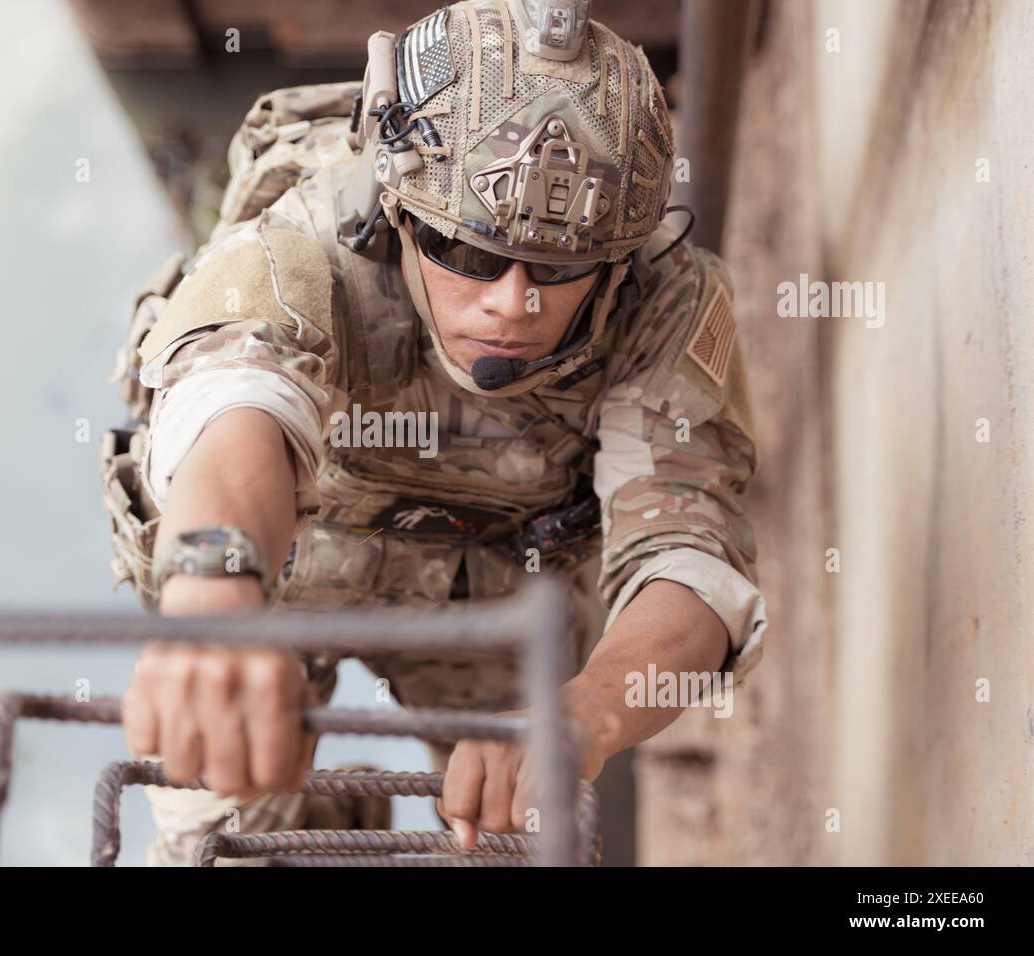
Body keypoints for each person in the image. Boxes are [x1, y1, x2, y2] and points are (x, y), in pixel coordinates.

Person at [114, 0, 766, 866]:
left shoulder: (664, 299)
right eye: (466, 252)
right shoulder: (303, 245)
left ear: (616, 256)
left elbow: (689, 556)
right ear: (400, 211)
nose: (509, 301)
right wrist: (213, 593)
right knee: (215, 838)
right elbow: (234, 403)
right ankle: (322, 814)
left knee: (519, 833)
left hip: (496, 590)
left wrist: (583, 715)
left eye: (561, 268)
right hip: (286, 566)